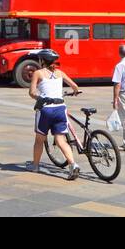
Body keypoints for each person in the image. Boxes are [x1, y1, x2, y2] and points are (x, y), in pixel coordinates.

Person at [29, 48, 82, 179]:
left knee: (39, 139)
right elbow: (75, 86)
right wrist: (74, 91)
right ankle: (73, 164)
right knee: (61, 140)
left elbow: (31, 92)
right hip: (60, 108)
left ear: (42, 61)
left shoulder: (38, 73)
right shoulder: (60, 73)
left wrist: (39, 97)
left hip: (46, 109)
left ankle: (35, 166)